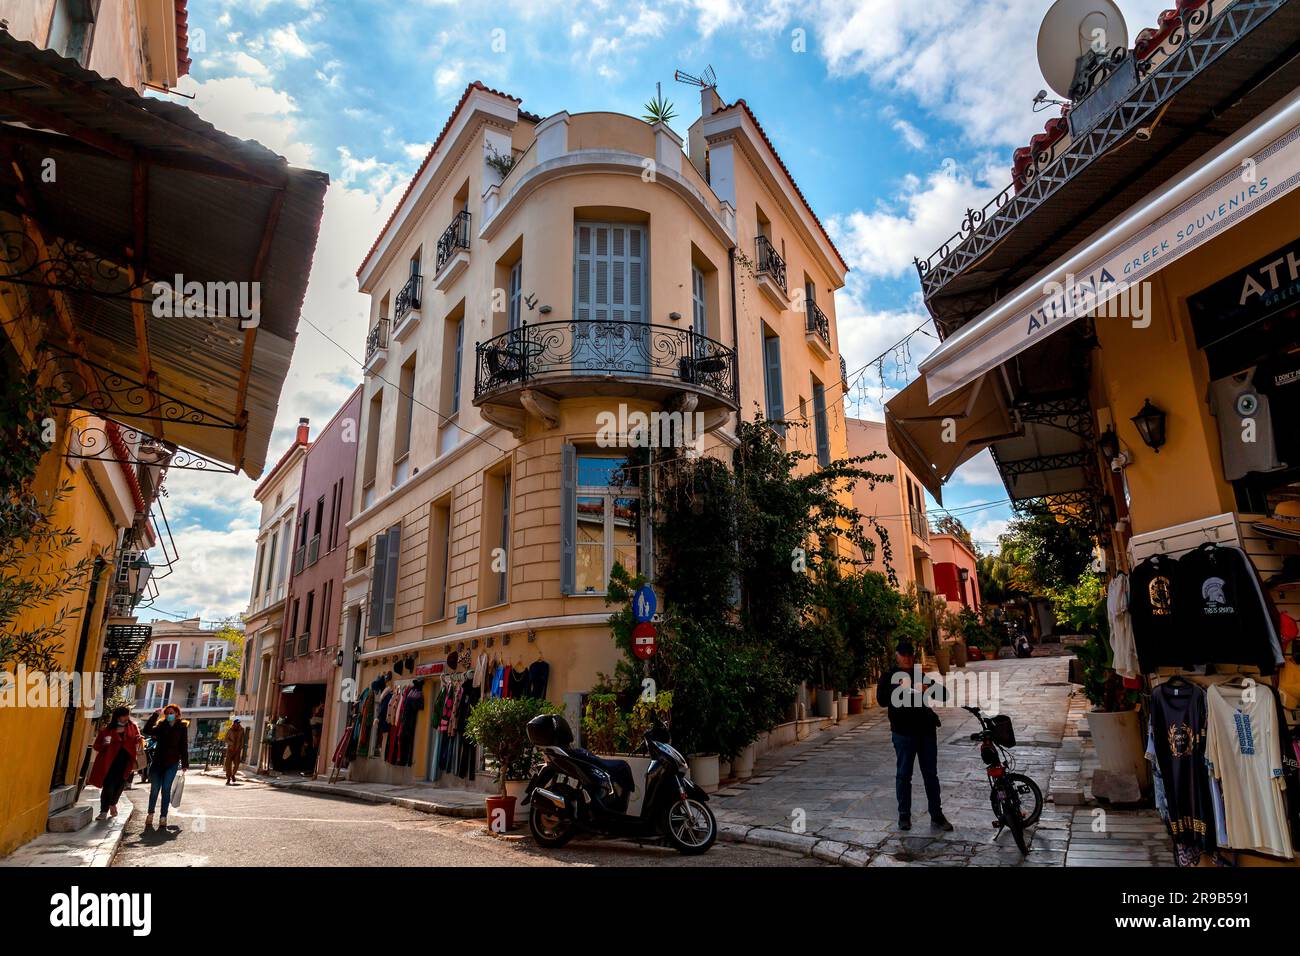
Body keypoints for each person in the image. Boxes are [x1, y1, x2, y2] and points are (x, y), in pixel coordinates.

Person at [876, 640, 954, 833]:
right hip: (903, 734)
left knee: (930, 775)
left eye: (910, 654)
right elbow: (881, 700)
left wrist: (929, 689)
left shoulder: (920, 675)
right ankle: (904, 816)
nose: (908, 658)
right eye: (904, 654)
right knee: (903, 775)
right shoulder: (889, 676)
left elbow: (944, 695)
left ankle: (937, 815)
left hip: (926, 732)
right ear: (897, 655)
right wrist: (898, 688)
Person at [88, 707, 140, 821]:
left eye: (127, 715)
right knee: (108, 787)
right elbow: (96, 746)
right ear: (117, 716)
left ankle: (113, 804)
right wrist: (106, 744)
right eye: (124, 715)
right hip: (109, 762)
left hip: (125, 763)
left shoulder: (132, 727)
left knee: (120, 785)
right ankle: (103, 811)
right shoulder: (107, 730)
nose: (126, 717)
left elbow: (137, 740)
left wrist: (138, 740)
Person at [142, 704, 190, 827]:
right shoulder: (161, 726)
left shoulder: (182, 727)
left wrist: (185, 763)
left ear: (177, 714)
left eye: (171, 712)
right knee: (154, 789)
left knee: (166, 789)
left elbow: (183, 746)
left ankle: (163, 816)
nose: (169, 715)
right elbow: (146, 730)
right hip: (158, 763)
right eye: (167, 713)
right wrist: (154, 715)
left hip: (172, 763)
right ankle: (150, 814)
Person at [223, 718, 246, 785]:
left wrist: (241, 747)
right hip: (230, 750)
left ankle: (233, 774)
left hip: (237, 751)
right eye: (237, 723)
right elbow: (226, 739)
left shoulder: (242, 730)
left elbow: (242, 739)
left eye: (239, 723)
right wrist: (230, 743)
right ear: (234, 723)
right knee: (228, 765)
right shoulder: (230, 730)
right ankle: (228, 778)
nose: (238, 724)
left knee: (237, 764)